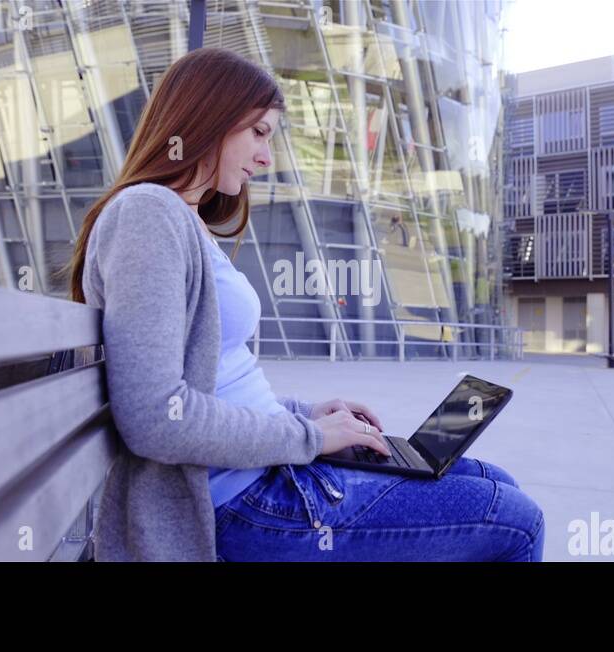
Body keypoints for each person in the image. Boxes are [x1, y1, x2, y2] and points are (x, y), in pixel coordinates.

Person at [62, 47, 544, 562]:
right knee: (516, 520)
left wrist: (308, 413)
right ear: (206, 119)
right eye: (259, 133)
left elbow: (216, 382)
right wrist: (311, 435)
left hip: (270, 480)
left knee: (494, 480)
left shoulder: (183, 220)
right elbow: (156, 416)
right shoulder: (147, 214)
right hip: (247, 504)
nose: (267, 157)